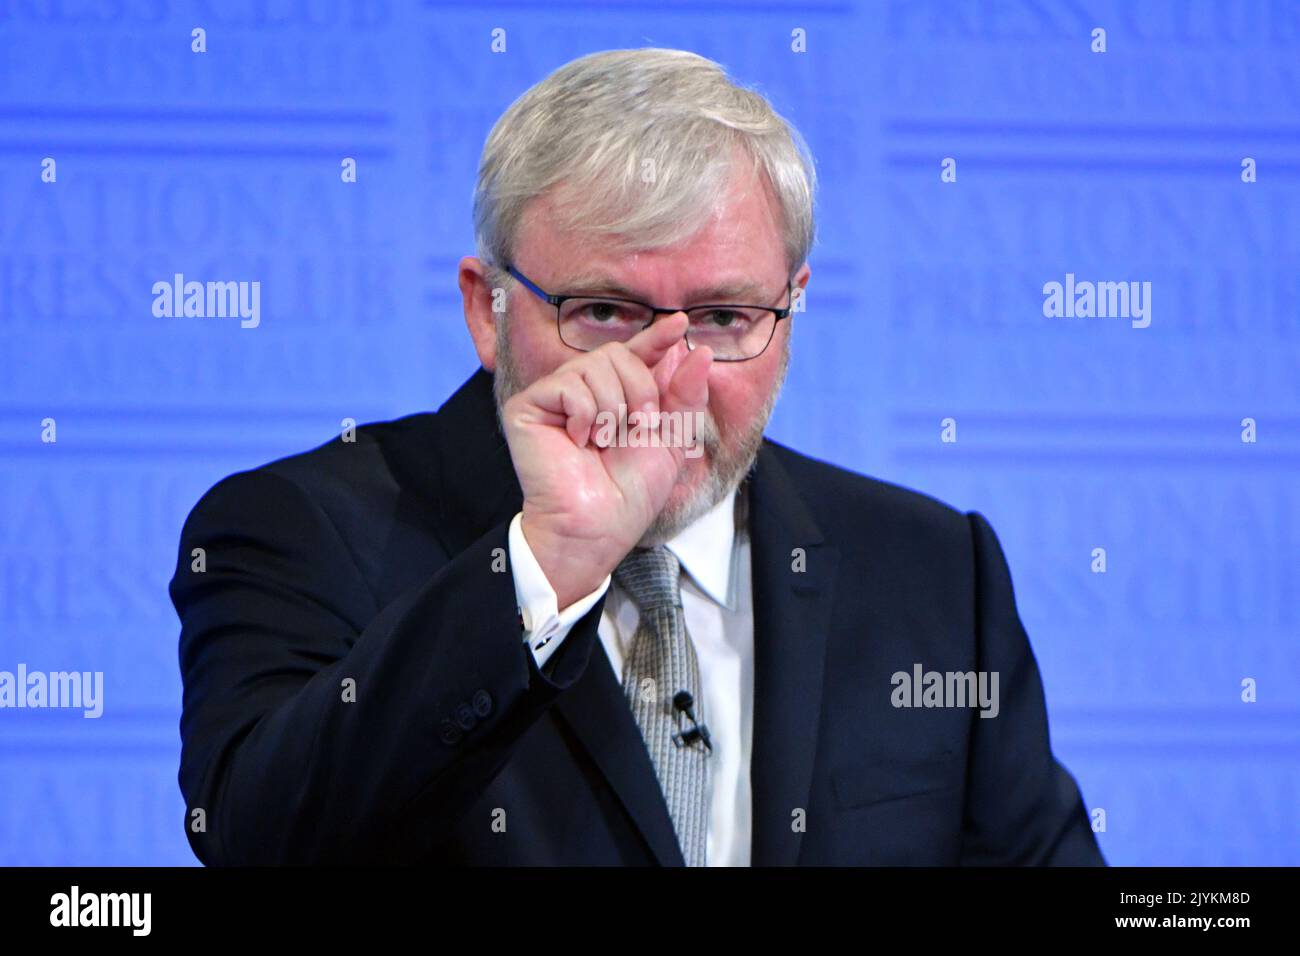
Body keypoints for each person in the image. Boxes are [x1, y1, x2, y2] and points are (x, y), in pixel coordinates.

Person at [170, 48, 1104, 866]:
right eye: (606, 313)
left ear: (793, 306)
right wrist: (543, 572)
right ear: (484, 309)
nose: (669, 380)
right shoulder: (296, 532)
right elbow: (261, 839)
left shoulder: (935, 571)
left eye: (724, 318)